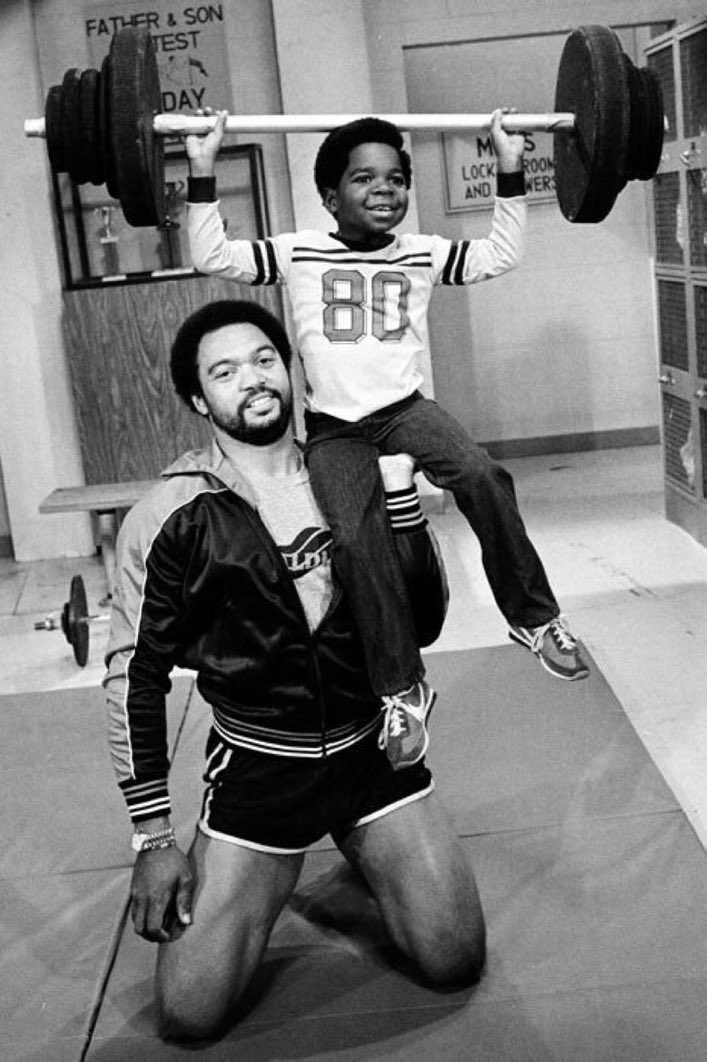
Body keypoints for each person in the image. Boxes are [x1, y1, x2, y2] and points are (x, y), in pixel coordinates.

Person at [103, 298, 484, 1042]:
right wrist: (152, 835)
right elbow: (134, 678)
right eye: (224, 372)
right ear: (197, 400)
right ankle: (278, 866)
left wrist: (403, 508)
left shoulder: (350, 472)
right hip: (262, 769)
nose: (251, 379)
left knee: (454, 956)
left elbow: (425, 621)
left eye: (263, 359)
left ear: (289, 369)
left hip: (371, 752)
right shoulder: (172, 514)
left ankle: (362, 850)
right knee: (189, 1013)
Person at [185, 109, 589, 771]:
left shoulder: (421, 253)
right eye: (363, 178)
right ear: (329, 196)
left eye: (396, 179)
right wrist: (202, 165)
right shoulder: (298, 253)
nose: (384, 189)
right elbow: (212, 255)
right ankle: (401, 688)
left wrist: (510, 162)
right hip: (334, 428)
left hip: (405, 410)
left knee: (481, 474)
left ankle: (533, 617)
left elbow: (502, 254)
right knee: (353, 539)